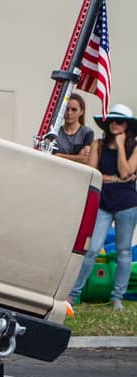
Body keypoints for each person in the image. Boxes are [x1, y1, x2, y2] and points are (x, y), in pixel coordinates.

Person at [67, 104, 137, 311]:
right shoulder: (98, 144)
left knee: (124, 252)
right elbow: (92, 174)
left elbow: (126, 172)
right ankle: (73, 294)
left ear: (127, 126)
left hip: (127, 204)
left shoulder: (134, 147)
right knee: (92, 249)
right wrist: (113, 178)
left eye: (119, 122)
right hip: (103, 204)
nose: (114, 125)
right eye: (112, 121)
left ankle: (117, 298)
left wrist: (121, 146)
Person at [52, 93, 95, 165]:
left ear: (81, 112)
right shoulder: (54, 131)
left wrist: (59, 156)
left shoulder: (87, 133)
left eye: (74, 110)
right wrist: (77, 157)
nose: (69, 113)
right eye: (66, 109)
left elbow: (86, 159)